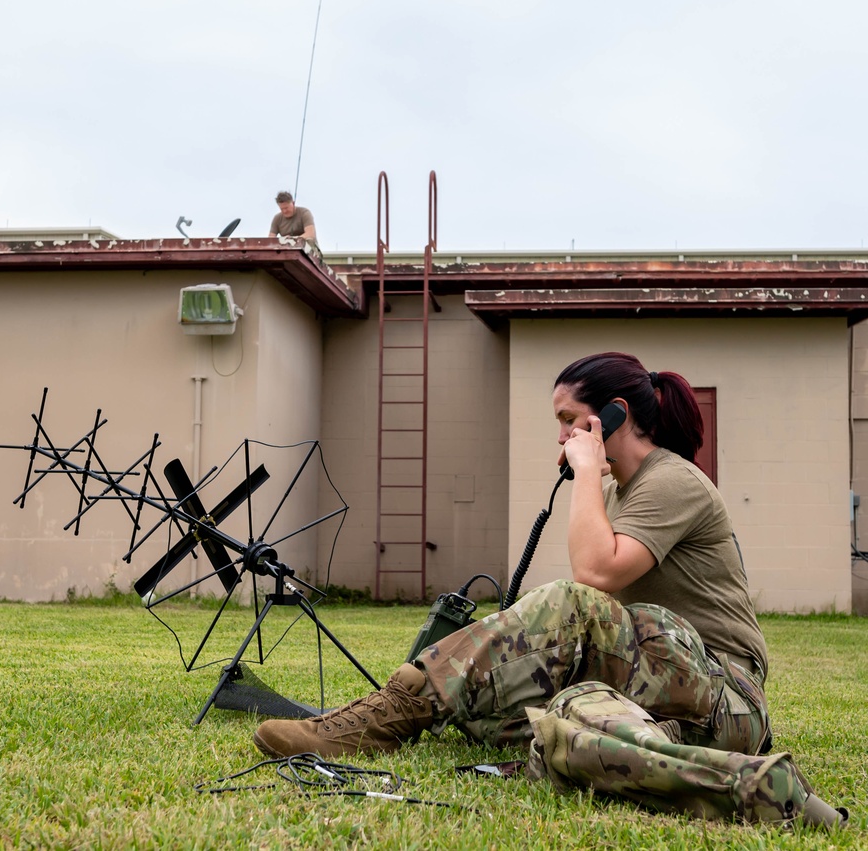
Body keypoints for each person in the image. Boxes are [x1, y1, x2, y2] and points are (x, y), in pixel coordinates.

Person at [253, 352, 847, 828]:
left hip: (725, 693)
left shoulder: (676, 482)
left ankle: (393, 711)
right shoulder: (614, 493)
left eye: (569, 419)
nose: (561, 435)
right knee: (552, 725)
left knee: (569, 599)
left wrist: (586, 468)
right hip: (671, 705)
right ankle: (756, 787)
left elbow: (594, 578)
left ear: (612, 415)